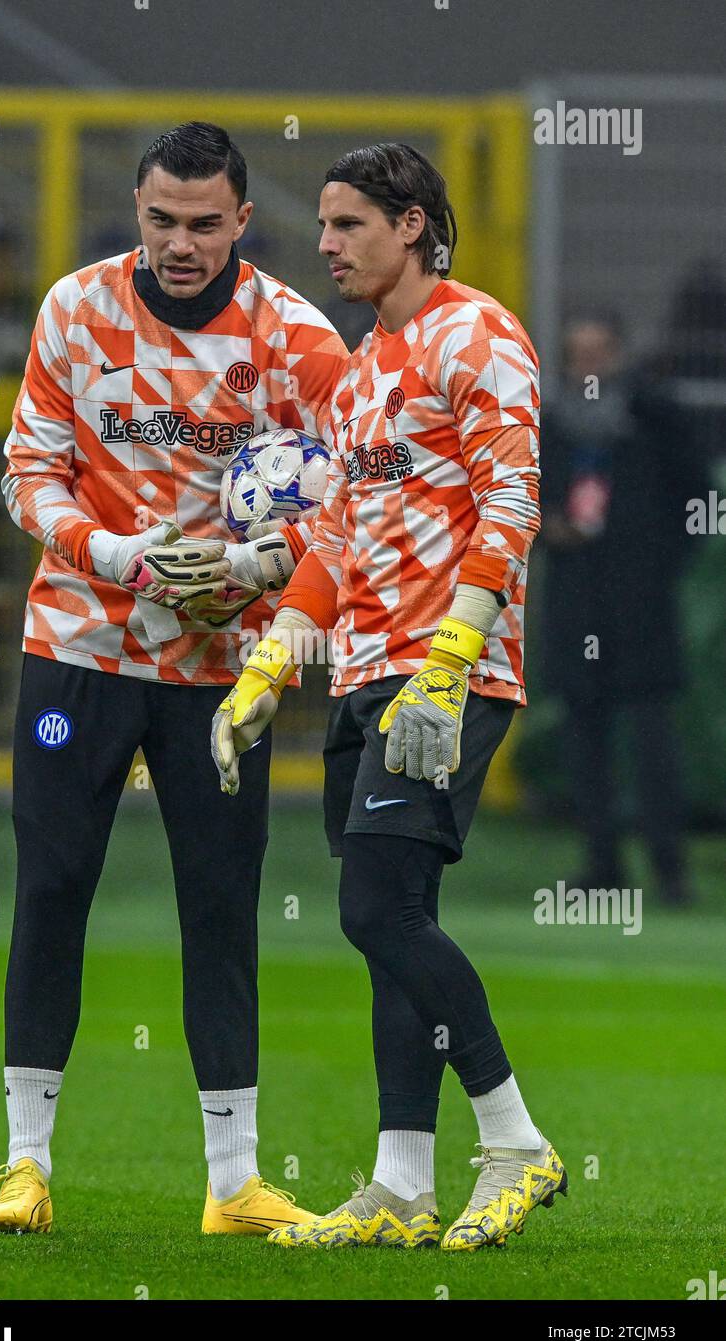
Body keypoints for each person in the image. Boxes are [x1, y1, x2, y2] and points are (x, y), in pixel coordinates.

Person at [0, 122, 348, 1237]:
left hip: (220, 671)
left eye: (202, 223)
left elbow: (352, 500)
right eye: (159, 219)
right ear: (135, 208)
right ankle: (25, 1167)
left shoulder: (295, 336)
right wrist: (113, 557)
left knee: (221, 909)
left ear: (242, 221)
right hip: (78, 649)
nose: (179, 243)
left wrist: (253, 565)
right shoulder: (76, 310)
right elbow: (28, 469)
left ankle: (232, 1183)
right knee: (49, 892)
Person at [211, 142, 566, 1251]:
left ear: (411, 224)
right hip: (368, 675)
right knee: (389, 923)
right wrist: (270, 666)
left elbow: (512, 504)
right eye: (321, 225)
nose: (323, 244)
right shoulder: (363, 368)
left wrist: (454, 659)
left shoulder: (477, 333)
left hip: (441, 674)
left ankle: (513, 1142)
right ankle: (399, 1182)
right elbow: (333, 539)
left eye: (346, 223)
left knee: (376, 909)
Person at [539, 314, 704, 902]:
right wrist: (548, 527)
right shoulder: (548, 423)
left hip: (642, 607)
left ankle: (669, 869)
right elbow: (518, 497)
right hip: (577, 603)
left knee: (654, 740)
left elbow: (696, 498)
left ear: (619, 353)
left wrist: (655, 564)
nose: (588, 365)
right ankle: (601, 863)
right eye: (576, 352)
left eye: (598, 351)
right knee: (585, 741)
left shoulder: (659, 417)